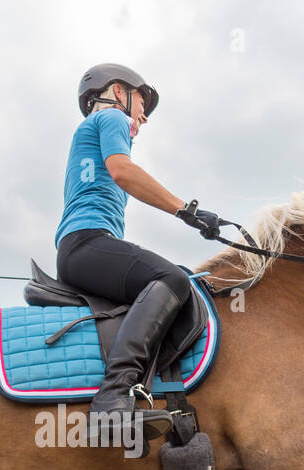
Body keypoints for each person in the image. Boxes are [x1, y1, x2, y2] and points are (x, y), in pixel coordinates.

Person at [54, 63, 222, 441]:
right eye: (141, 103)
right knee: (172, 279)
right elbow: (123, 172)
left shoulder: (90, 129)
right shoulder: (110, 118)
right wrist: (186, 210)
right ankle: (113, 396)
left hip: (80, 245)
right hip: (87, 242)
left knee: (169, 276)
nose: (144, 117)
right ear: (117, 91)